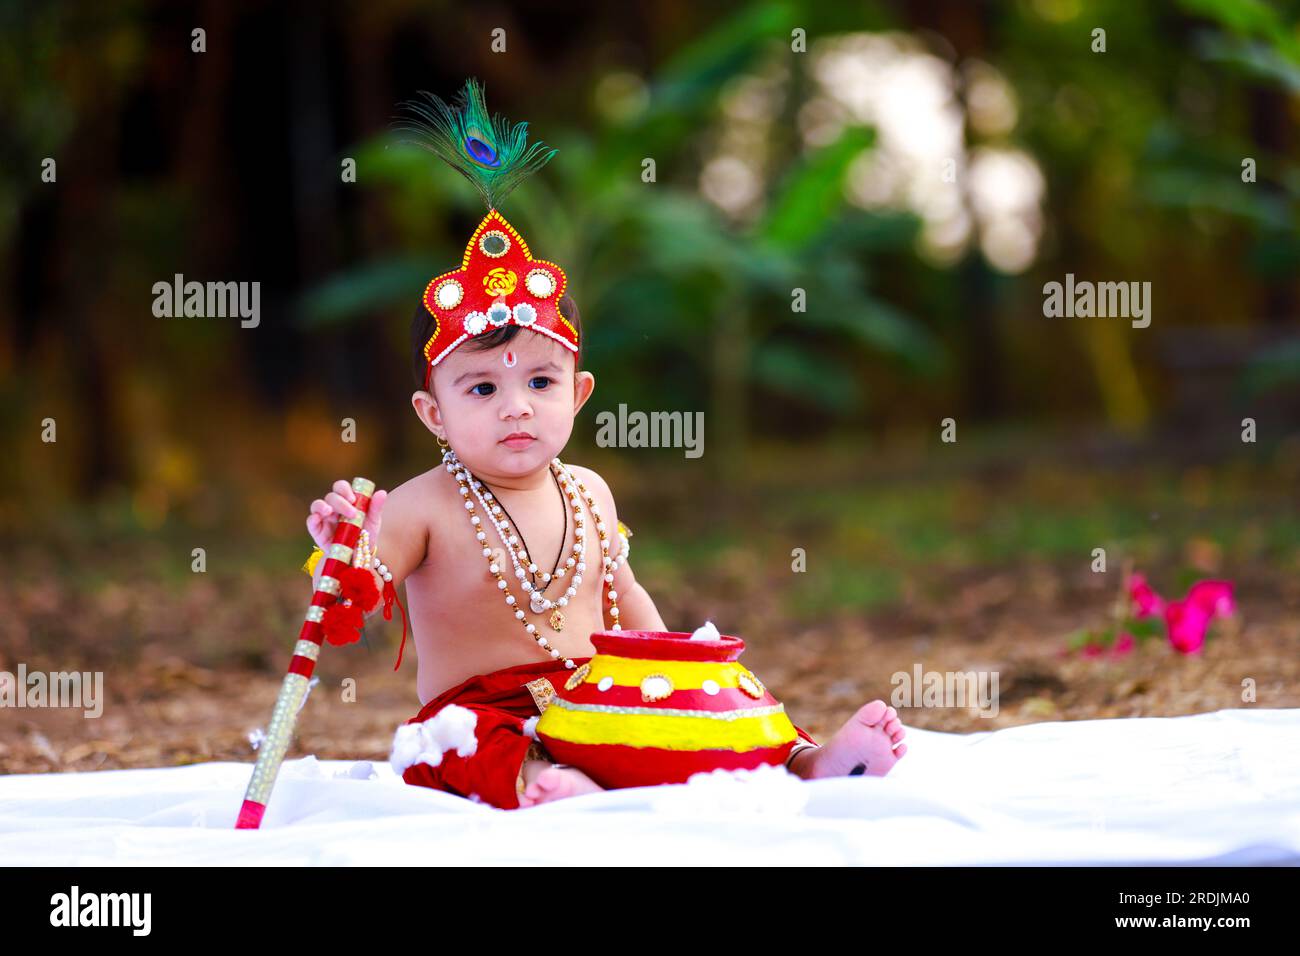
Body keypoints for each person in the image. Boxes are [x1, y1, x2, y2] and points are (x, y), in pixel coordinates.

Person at [302, 80, 907, 810]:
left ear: (579, 393)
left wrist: (673, 679)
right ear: (433, 414)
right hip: (487, 709)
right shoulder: (421, 505)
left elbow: (623, 596)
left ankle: (806, 758)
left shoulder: (588, 491)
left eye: (540, 381)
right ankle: (538, 783)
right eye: (482, 389)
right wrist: (344, 545)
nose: (516, 407)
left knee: (714, 702)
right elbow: (354, 594)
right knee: (454, 744)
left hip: (593, 699)